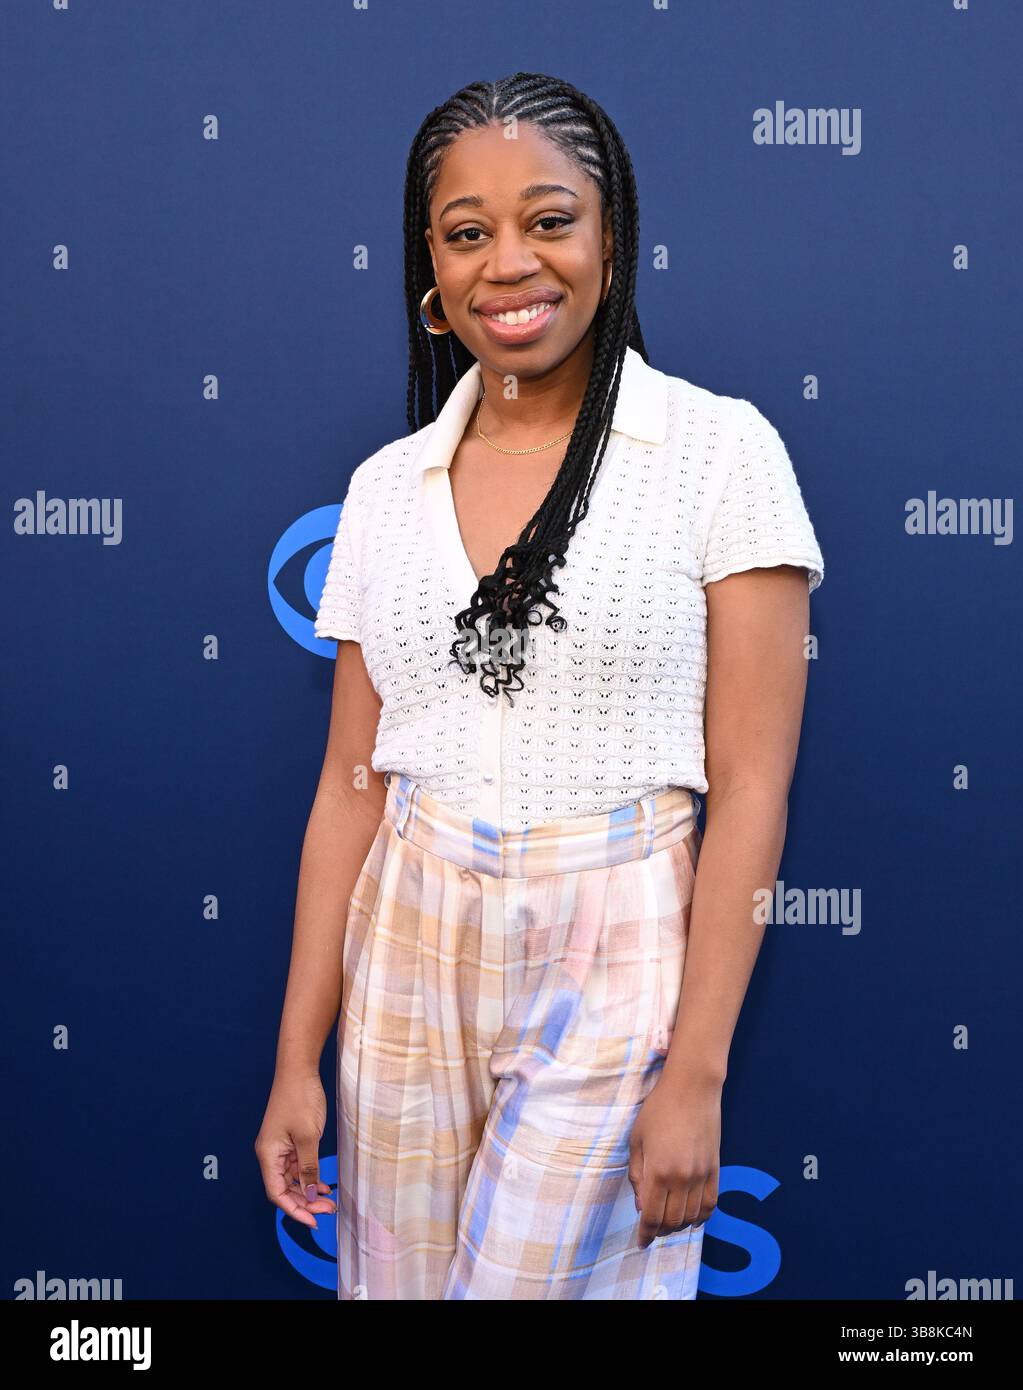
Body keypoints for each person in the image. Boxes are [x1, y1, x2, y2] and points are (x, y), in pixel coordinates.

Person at [255, 71, 824, 1301]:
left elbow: (755, 786)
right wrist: (298, 1058)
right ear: (430, 269)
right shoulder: (384, 489)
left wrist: (699, 1073)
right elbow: (350, 790)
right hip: (407, 930)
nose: (509, 263)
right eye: (469, 233)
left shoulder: (718, 452)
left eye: (550, 220)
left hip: (615, 942)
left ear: (612, 242)